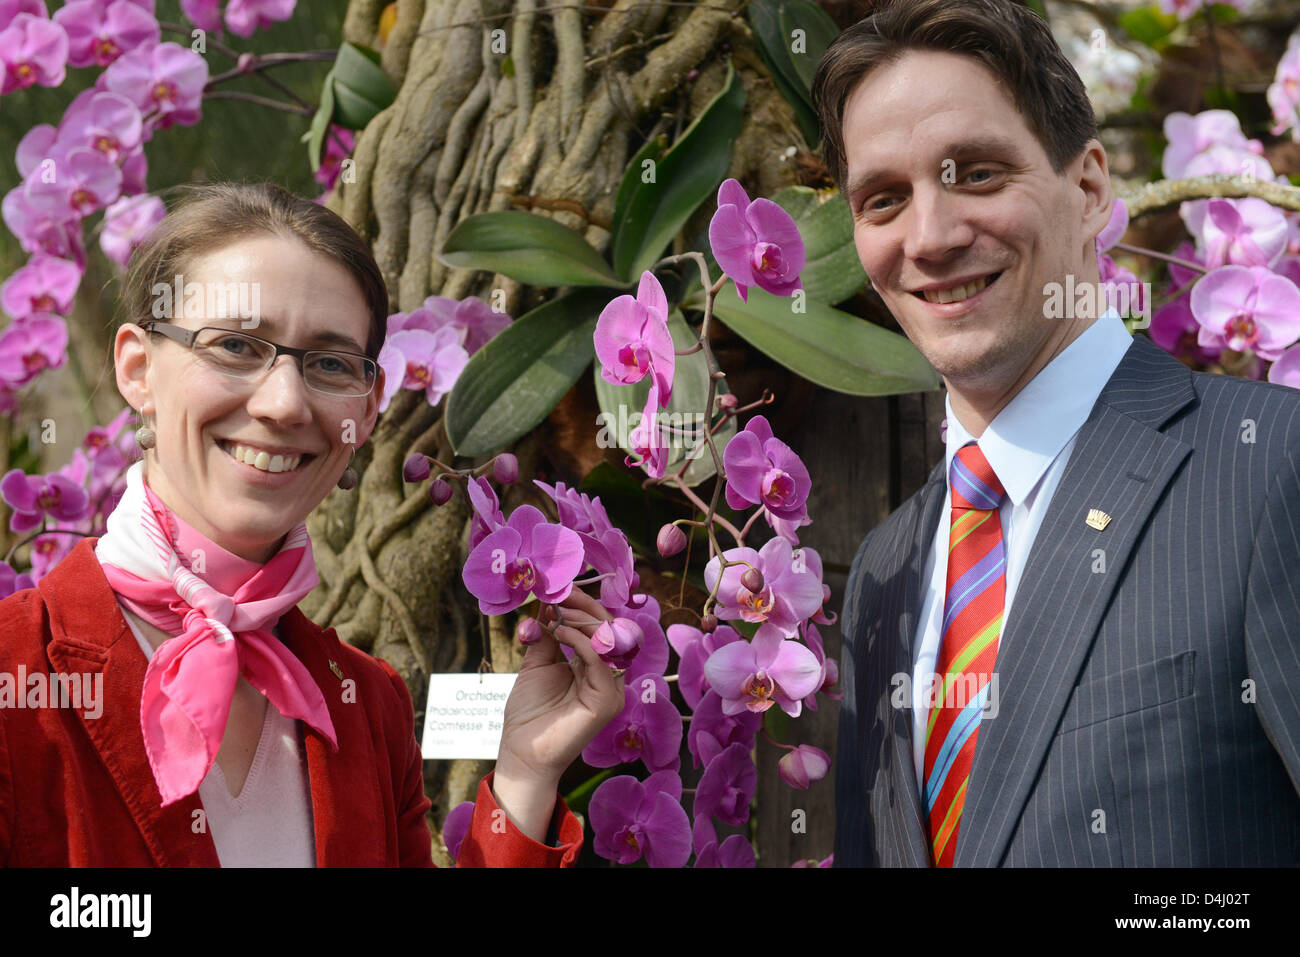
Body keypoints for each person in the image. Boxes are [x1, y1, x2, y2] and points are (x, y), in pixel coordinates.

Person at [0, 181, 624, 867]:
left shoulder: (367, 706)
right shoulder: (16, 673)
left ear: (371, 406)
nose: (285, 403)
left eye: (329, 363)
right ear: (138, 368)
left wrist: (526, 774)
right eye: (236, 345)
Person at [812, 0, 1300, 866]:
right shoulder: (884, 573)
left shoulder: (1269, 469)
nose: (930, 235)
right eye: (884, 199)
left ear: (1087, 189)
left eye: (978, 174)